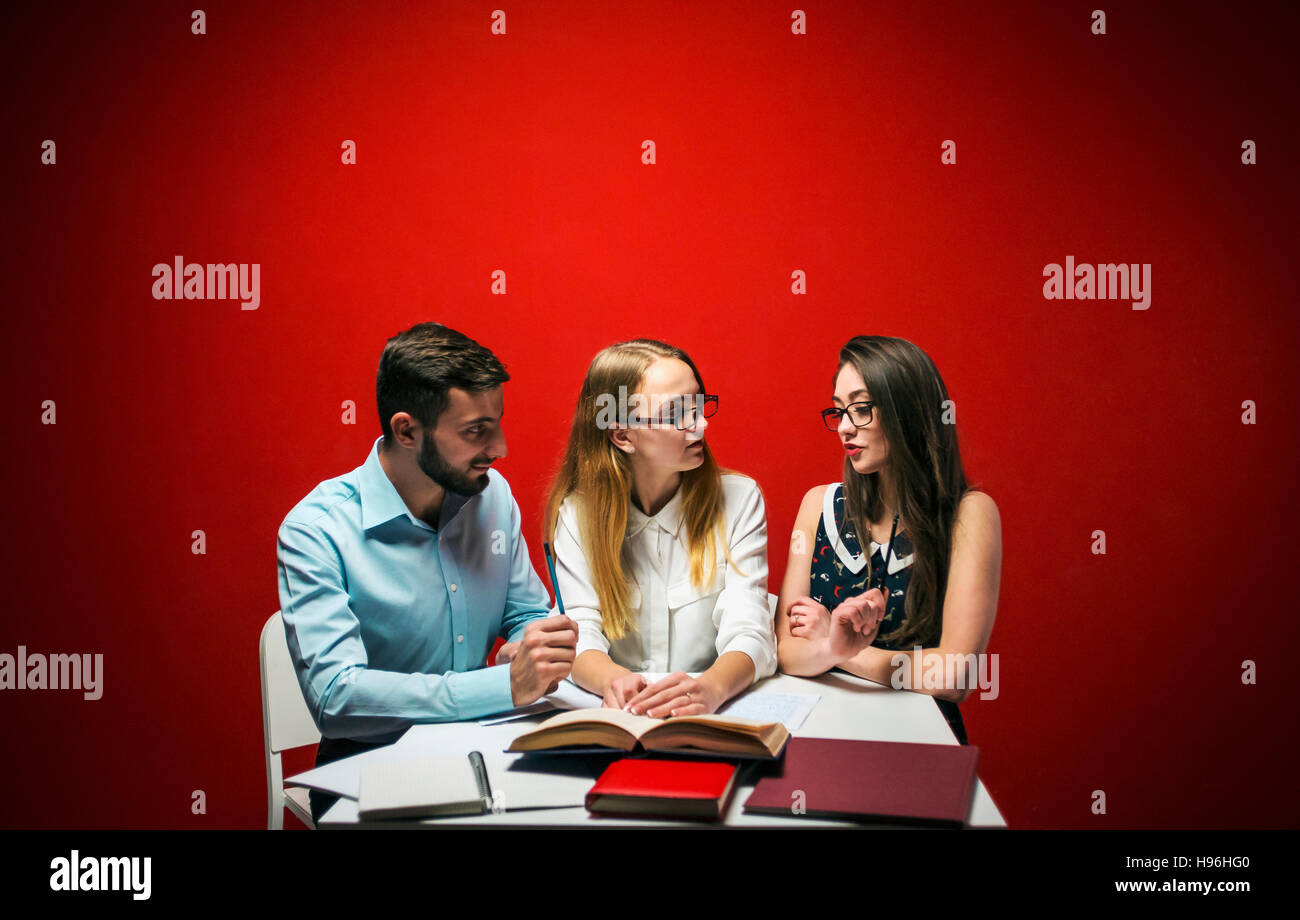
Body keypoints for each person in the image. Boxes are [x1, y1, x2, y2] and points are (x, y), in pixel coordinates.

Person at [276, 322, 577, 824]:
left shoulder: (491, 494)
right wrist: (503, 686)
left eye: (497, 422)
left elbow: (525, 610)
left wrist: (531, 644)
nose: (499, 446)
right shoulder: (315, 531)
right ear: (407, 430)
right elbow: (337, 696)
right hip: (367, 766)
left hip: (487, 744)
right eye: (475, 430)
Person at [776, 335, 1001, 744]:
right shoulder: (818, 505)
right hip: (818, 729)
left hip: (917, 739)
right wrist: (842, 649)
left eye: (861, 409)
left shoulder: (969, 514)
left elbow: (954, 675)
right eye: (839, 410)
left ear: (907, 411)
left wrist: (835, 646)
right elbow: (786, 652)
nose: (844, 426)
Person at [543, 339, 776, 720]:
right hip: (621, 718)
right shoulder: (577, 514)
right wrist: (614, 680)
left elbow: (749, 626)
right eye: (677, 413)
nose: (700, 424)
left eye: (699, 405)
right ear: (622, 435)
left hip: (708, 717)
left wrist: (711, 688)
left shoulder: (740, 498)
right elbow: (581, 629)